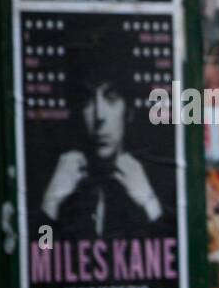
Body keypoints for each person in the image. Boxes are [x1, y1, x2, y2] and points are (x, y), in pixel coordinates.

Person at [39, 69, 166, 240]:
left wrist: (150, 204)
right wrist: (50, 205)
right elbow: (41, 251)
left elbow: (173, 259)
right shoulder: (59, 184)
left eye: (111, 98)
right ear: (77, 114)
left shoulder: (157, 181)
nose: (99, 115)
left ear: (128, 112)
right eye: (88, 101)